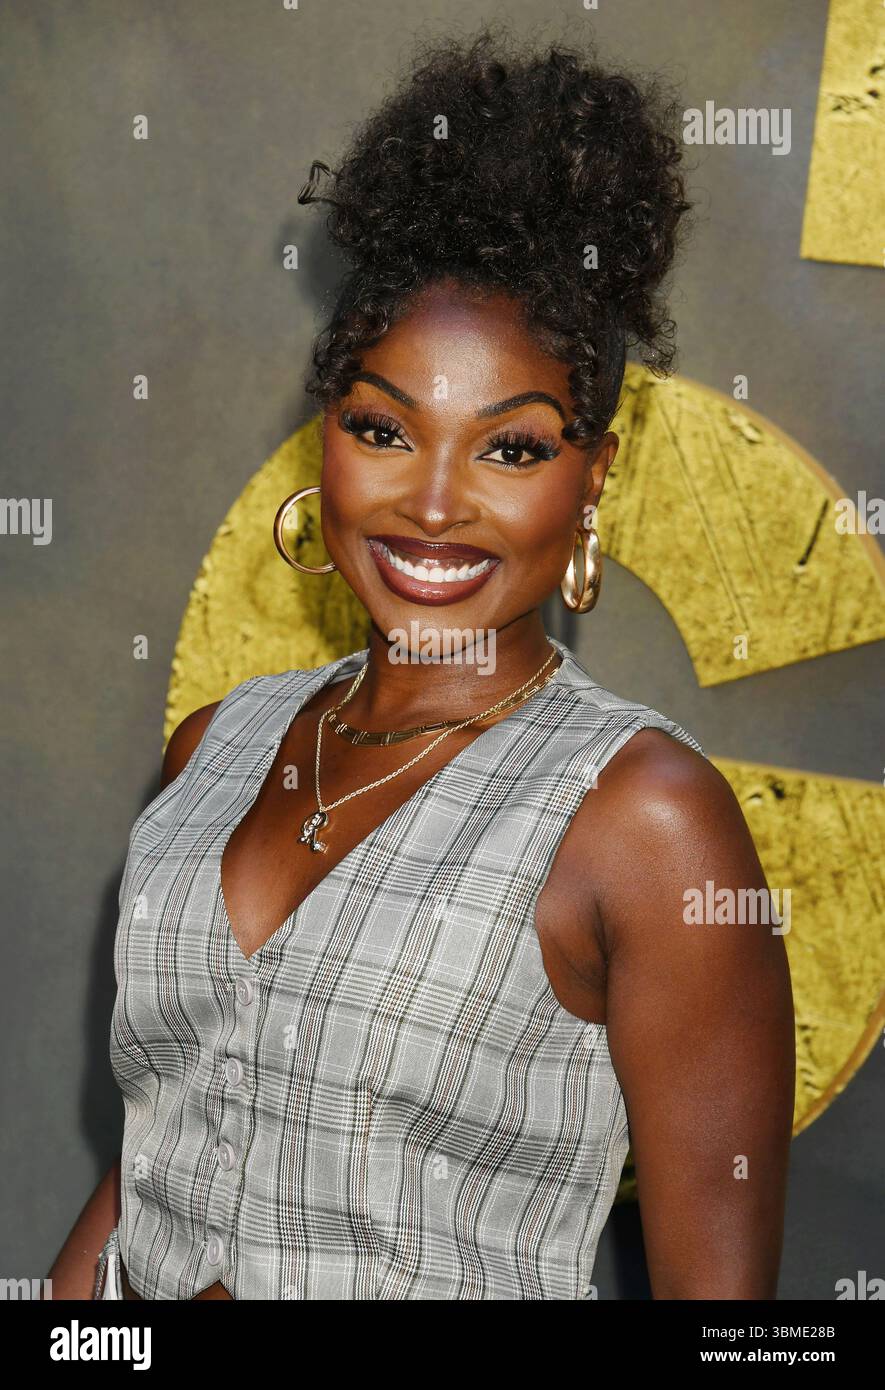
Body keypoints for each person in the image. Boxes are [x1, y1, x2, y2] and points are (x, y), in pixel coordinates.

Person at [49, 27, 794, 1301]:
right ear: (323, 434)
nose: (432, 503)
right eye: (385, 427)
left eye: (510, 448)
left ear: (593, 475)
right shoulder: (217, 744)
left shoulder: (646, 820)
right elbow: (152, 1170)